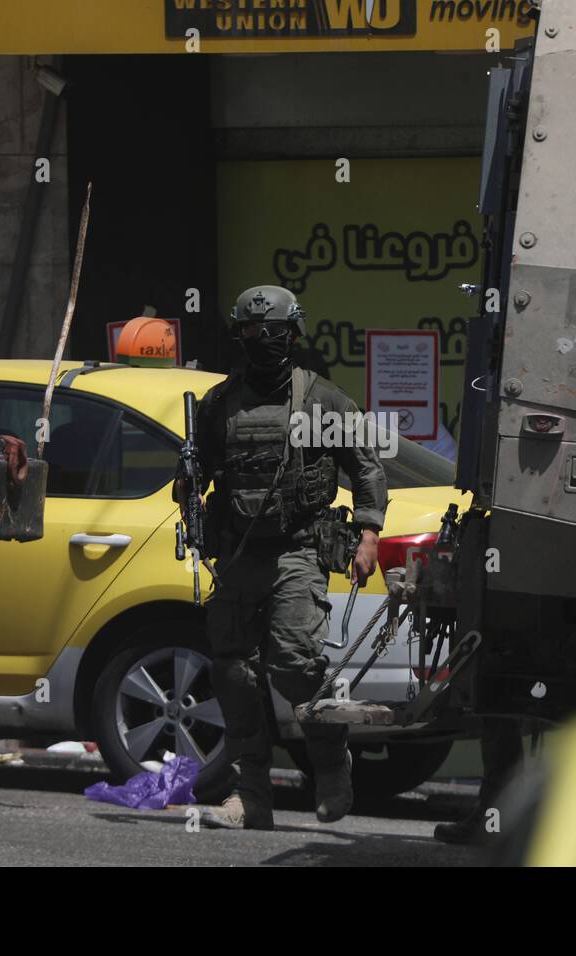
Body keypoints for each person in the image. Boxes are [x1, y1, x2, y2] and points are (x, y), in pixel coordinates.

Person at [174, 285, 387, 830]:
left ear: (293, 335)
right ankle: (252, 798)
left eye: (272, 332)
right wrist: (188, 489)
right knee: (235, 674)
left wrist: (368, 533)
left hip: (297, 549)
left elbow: (365, 467)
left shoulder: (322, 401)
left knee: (295, 667)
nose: (262, 341)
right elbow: (196, 479)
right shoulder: (221, 405)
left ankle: (331, 767)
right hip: (242, 555)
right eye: (250, 331)